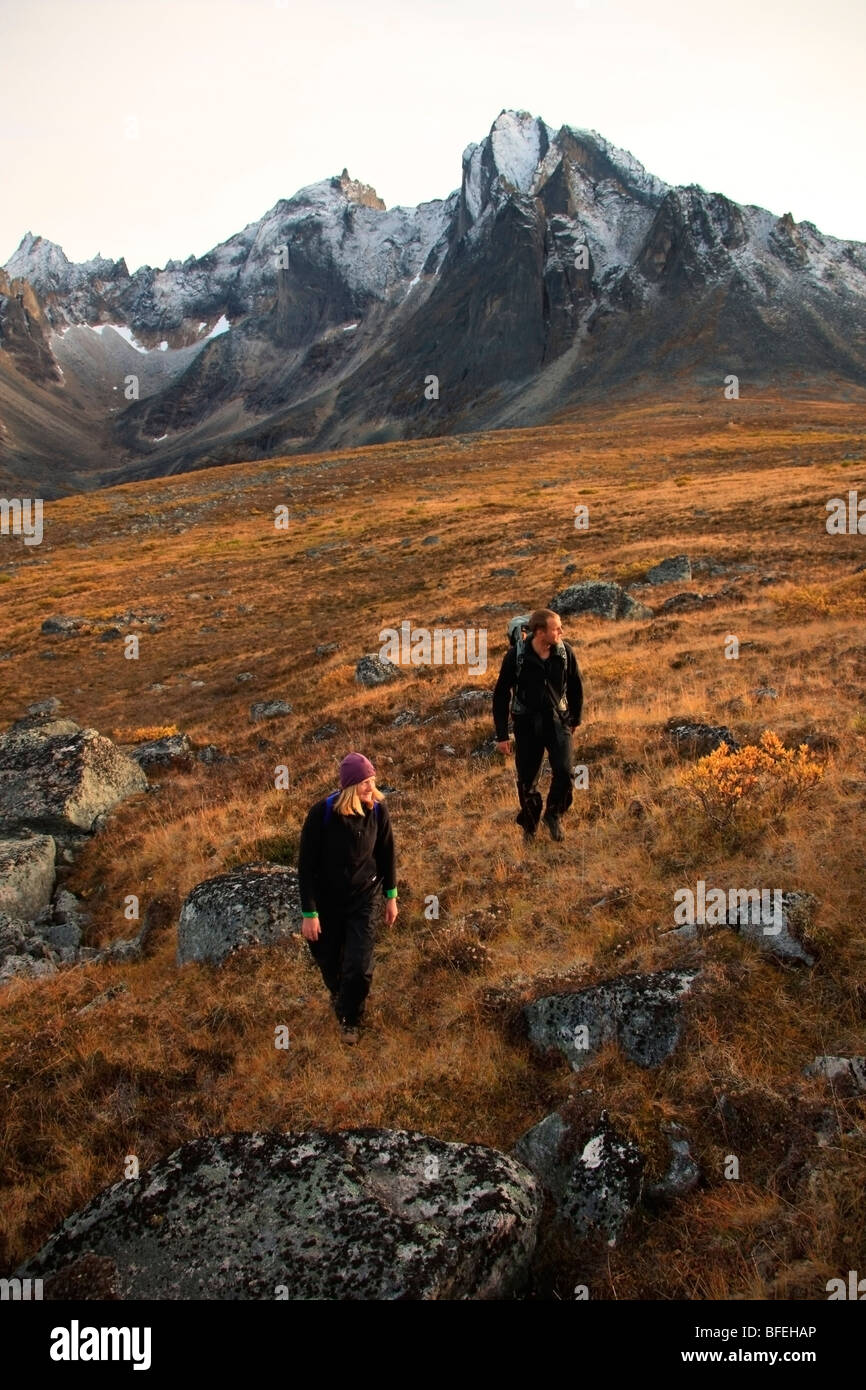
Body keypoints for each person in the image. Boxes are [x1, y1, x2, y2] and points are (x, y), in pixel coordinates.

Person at [297, 752, 398, 1044]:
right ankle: (341, 996)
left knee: (360, 965)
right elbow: (305, 866)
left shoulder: (378, 810)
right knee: (329, 960)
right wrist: (309, 913)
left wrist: (391, 896)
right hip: (327, 901)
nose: (371, 787)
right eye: (365, 782)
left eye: (372, 780)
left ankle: (349, 1019)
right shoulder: (322, 814)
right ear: (350, 786)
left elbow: (387, 854)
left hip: (364, 897)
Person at [492, 608, 583, 842]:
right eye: (556, 628)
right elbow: (501, 694)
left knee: (565, 771)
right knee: (527, 781)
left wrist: (575, 719)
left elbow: (575, 686)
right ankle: (530, 827)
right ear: (540, 632)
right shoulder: (515, 657)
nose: (561, 631)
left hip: (557, 721)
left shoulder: (565, 652)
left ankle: (553, 814)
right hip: (526, 726)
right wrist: (502, 735)